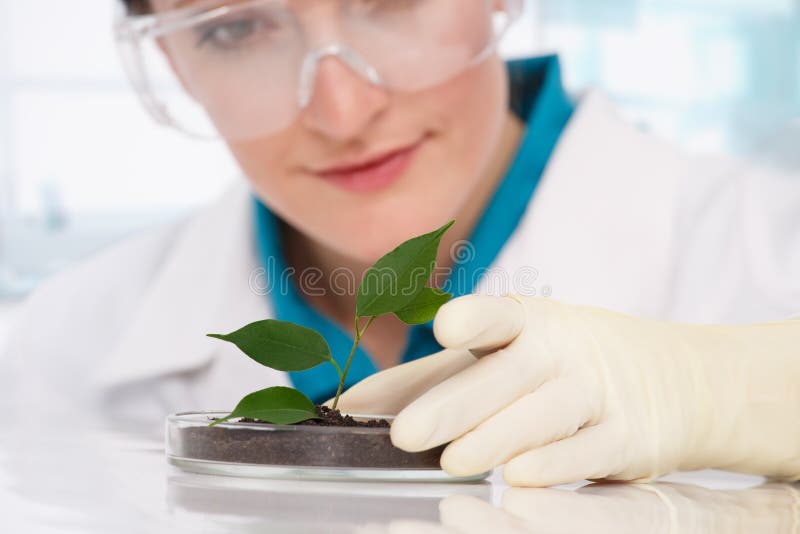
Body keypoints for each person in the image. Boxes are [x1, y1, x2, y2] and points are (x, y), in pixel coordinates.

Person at [2, 0, 798, 486]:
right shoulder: (55, 351)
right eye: (236, 27)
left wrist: (739, 394)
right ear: (171, 59)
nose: (343, 112)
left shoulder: (766, 244)